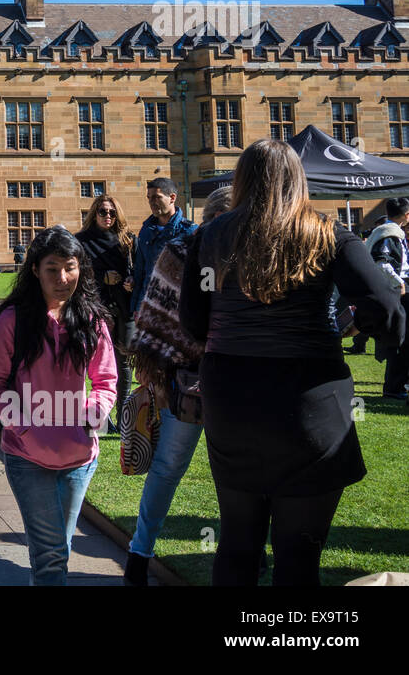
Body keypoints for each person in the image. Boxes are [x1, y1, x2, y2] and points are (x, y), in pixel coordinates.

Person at [180, 139, 403, 586]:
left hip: (233, 398)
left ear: (242, 180)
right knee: (298, 557)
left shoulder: (210, 235)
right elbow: (386, 304)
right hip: (309, 401)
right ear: (298, 180)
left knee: (237, 545)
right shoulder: (329, 234)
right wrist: (361, 330)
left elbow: (193, 319)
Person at [0, 225, 117, 585]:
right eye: (52, 268)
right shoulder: (12, 321)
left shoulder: (93, 320)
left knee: (60, 549)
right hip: (28, 458)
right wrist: (26, 428)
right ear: (35, 271)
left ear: (81, 268)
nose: (62, 277)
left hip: (79, 458)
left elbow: (106, 381)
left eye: (69, 267)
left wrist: (93, 414)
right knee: (51, 555)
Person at [124, 185, 234, 585]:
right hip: (187, 381)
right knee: (172, 467)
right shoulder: (182, 251)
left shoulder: (246, 255)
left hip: (218, 383)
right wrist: (155, 373)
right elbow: (155, 317)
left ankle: (245, 552)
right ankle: (139, 552)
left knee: (229, 476)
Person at [75, 193, 135, 418]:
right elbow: (77, 273)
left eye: (112, 212)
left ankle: (122, 414)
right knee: (97, 361)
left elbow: (138, 269)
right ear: (94, 214)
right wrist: (102, 278)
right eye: (102, 212)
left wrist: (131, 280)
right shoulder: (81, 241)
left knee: (124, 359)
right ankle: (101, 412)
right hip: (96, 306)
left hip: (124, 306)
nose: (107, 216)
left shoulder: (127, 239)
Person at [127, 178, 194, 318]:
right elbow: (141, 271)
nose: (152, 202)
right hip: (147, 305)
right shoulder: (146, 230)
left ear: (172, 198)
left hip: (176, 307)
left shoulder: (189, 231)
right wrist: (136, 306)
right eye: (149, 197)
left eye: (157, 197)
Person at [367, 197, 409, 400]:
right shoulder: (389, 234)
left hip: (398, 291)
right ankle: (394, 386)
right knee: (401, 340)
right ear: (406, 215)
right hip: (398, 293)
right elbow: (382, 263)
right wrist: (399, 282)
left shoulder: (387, 232)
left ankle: (398, 384)